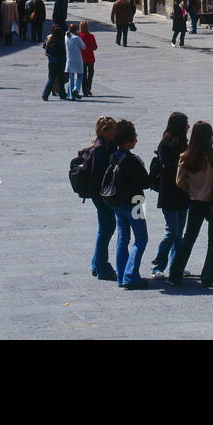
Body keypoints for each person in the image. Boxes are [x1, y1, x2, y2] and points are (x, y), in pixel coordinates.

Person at [169, 120, 213, 288]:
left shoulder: (186, 156)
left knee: (189, 238)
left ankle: (175, 275)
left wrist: (191, 189)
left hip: (196, 201)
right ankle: (208, 277)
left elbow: (179, 182)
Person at [101, 119, 150, 289]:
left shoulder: (114, 156)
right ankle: (131, 275)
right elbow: (145, 182)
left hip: (117, 202)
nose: (136, 139)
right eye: (134, 137)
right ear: (128, 140)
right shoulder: (132, 160)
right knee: (142, 238)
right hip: (136, 201)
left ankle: (122, 276)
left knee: (123, 237)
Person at [150, 112, 190, 277]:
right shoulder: (165, 145)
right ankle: (157, 266)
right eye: (186, 124)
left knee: (178, 233)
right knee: (171, 231)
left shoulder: (184, 144)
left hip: (183, 194)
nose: (189, 127)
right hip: (169, 194)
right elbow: (169, 167)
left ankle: (176, 265)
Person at [81, 116, 119, 280]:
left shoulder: (106, 145)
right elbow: (102, 174)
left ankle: (97, 264)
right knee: (106, 229)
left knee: (105, 229)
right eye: (113, 130)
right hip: (102, 195)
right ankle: (102, 267)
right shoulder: (100, 149)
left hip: (101, 195)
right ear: (105, 132)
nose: (116, 132)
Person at [42, 24, 68, 101]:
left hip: (51, 62)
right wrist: (64, 64)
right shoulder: (61, 42)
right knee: (60, 79)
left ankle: (45, 94)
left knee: (51, 78)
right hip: (59, 62)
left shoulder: (50, 41)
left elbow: (47, 51)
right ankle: (62, 94)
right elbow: (63, 54)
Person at [65, 22, 86, 99]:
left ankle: (70, 95)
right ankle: (76, 89)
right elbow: (83, 47)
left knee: (71, 77)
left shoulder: (66, 36)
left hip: (69, 59)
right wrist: (79, 36)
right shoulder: (76, 38)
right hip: (77, 59)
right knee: (80, 75)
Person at [79, 20, 98, 98]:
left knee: (83, 74)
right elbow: (95, 47)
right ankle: (88, 87)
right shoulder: (91, 36)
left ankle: (84, 90)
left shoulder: (79, 36)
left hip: (81, 58)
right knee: (90, 73)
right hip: (90, 58)